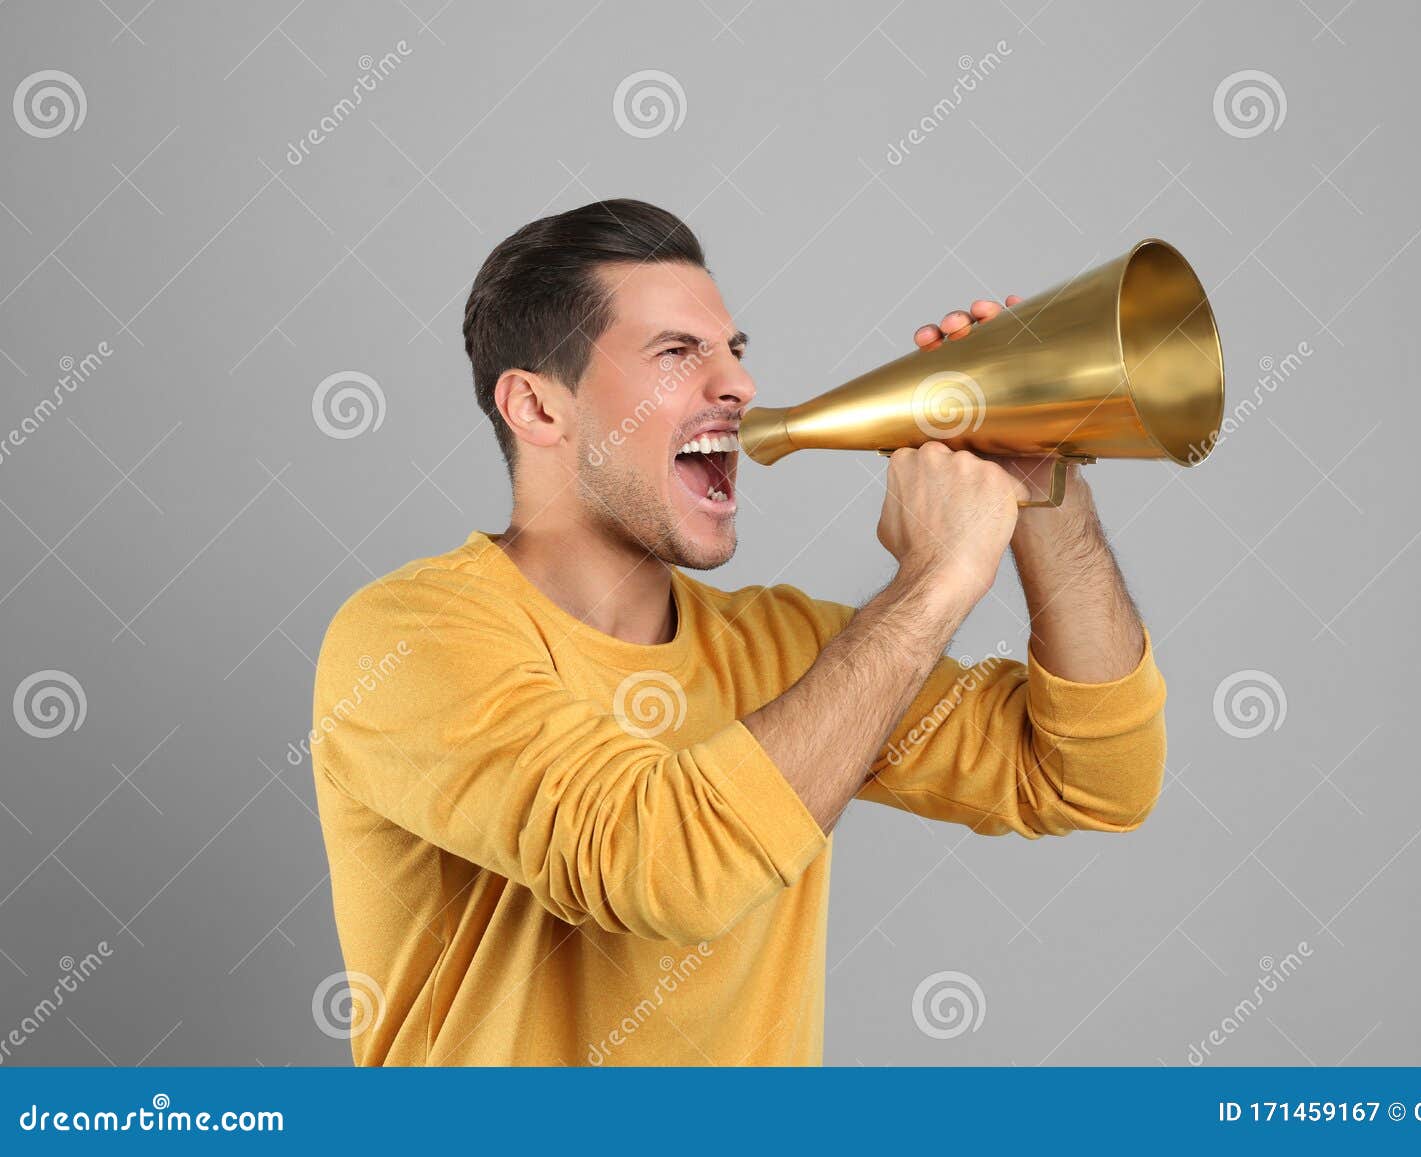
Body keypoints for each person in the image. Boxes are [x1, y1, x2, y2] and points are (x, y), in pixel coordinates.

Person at [309, 199, 1166, 1065]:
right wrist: (935, 584)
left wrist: (1044, 483)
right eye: (677, 353)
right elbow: (664, 864)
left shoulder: (784, 648)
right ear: (535, 407)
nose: (741, 386)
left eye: (734, 351)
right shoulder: (408, 639)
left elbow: (1092, 776)